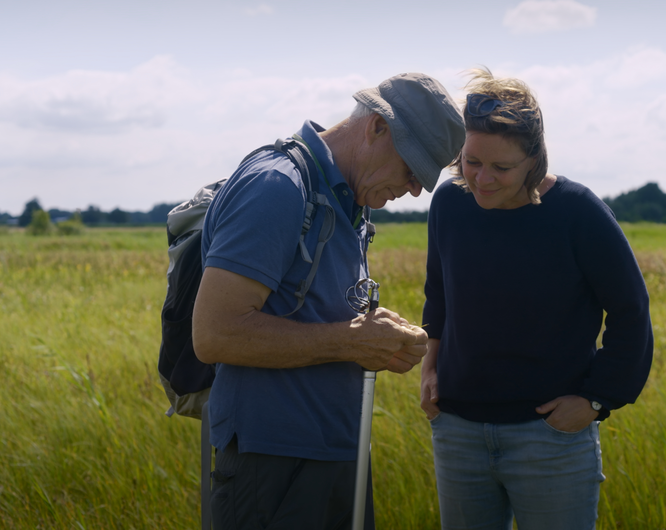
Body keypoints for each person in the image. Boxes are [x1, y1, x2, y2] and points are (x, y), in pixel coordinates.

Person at [192, 72, 465, 530]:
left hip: (335, 456)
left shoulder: (347, 198)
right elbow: (215, 333)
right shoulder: (277, 186)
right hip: (272, 463)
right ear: (377, 126)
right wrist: (350, 342)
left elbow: (316, 313)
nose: (415, 189)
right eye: (411, 169)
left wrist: (377, 337)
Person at [419, 69, 653, 530]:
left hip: (549, 438)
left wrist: (597, 400)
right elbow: (439, 292)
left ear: (534, 159)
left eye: (501, 168)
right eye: (471, 161)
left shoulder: (577, 211)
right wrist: (430, 368)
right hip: (457, 431)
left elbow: (631, 311)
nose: (482, 178)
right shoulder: (449, 202)